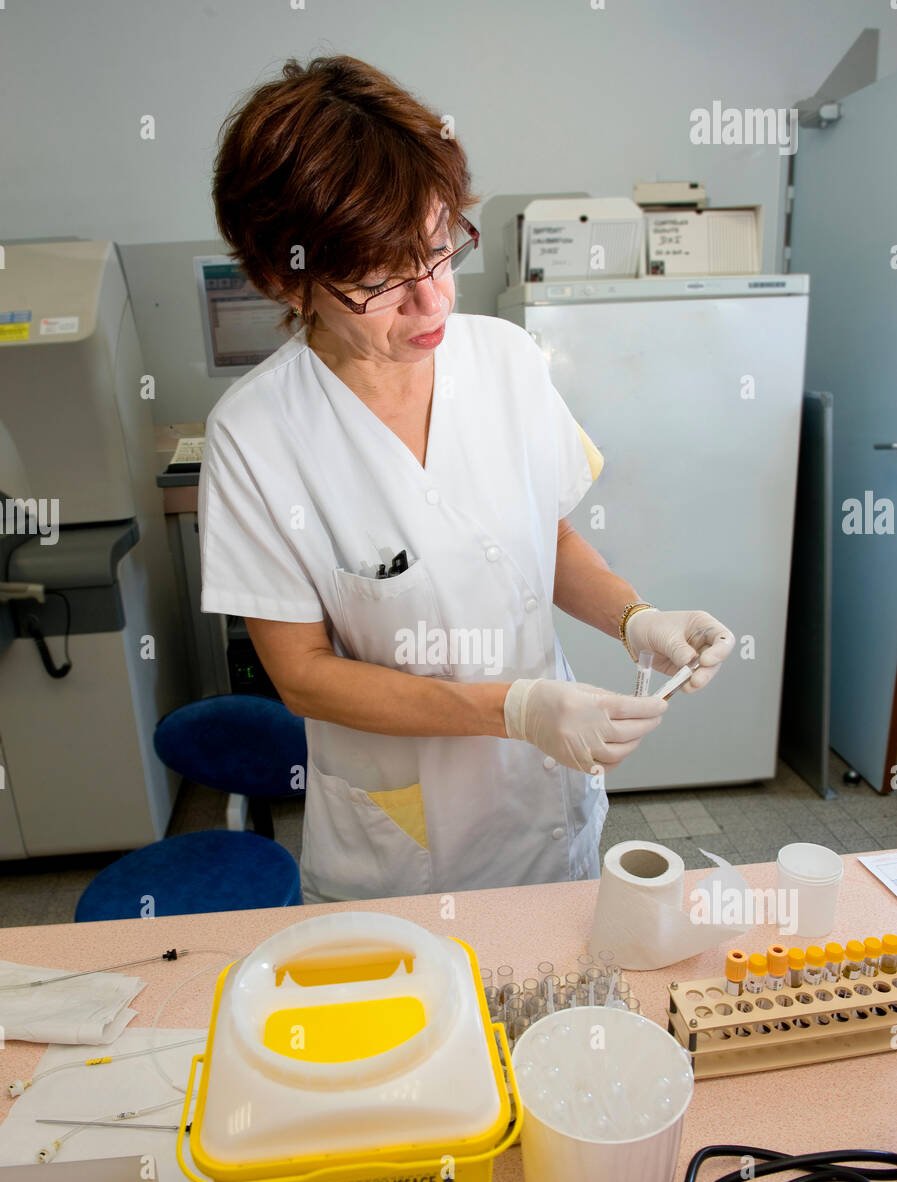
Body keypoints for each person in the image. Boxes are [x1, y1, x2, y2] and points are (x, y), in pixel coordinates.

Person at [198, 55, 734, 905]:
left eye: (440, 247)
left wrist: (636, 619)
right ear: (283, 279)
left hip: (546, 805)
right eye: (379, 278)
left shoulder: (508, 361)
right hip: (401, 840)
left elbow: (543, 539)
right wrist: (516, 709)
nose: (432, 300)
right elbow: (301, 674)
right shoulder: (256, 435)